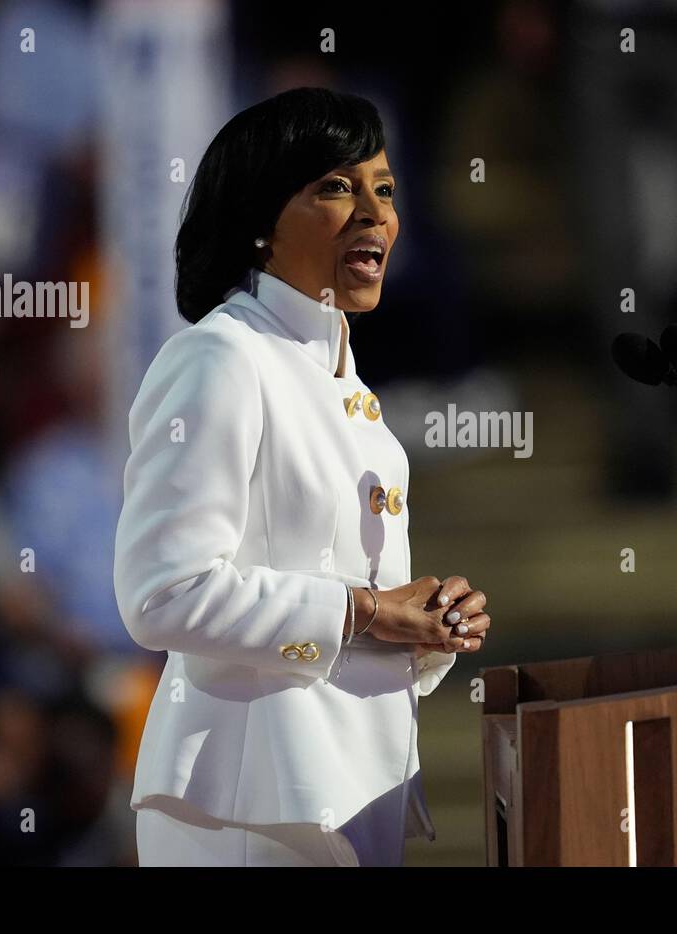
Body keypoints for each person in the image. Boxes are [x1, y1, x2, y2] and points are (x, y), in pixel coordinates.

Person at [113, 88, 490, 866]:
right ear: (261, 221)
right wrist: (366, 611)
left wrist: (424, 627)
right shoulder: (221, 357)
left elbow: (346, 619)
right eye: (336, 187)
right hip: (247, 806)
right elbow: (163, 593)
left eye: (385, 189)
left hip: (347, 795)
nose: (375, 213)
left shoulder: (346, 386)